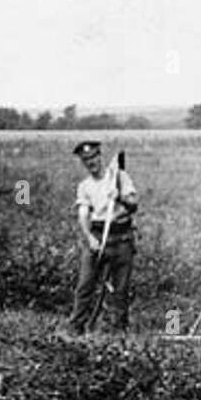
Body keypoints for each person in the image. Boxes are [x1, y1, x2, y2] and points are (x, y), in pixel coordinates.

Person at [68, 140, 139, 334]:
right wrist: (89, 237)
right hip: (99, 236)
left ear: (100, 156)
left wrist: (120, 198)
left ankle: (119, 331)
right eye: (86, 160)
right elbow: (83, 215)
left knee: (121, 290)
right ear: (83, 163)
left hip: (122, 238)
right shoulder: (85, 186)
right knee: (85, 285)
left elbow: (134, 204)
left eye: (94, 157)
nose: (91, 162)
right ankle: (75, 328)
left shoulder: (119, 177)